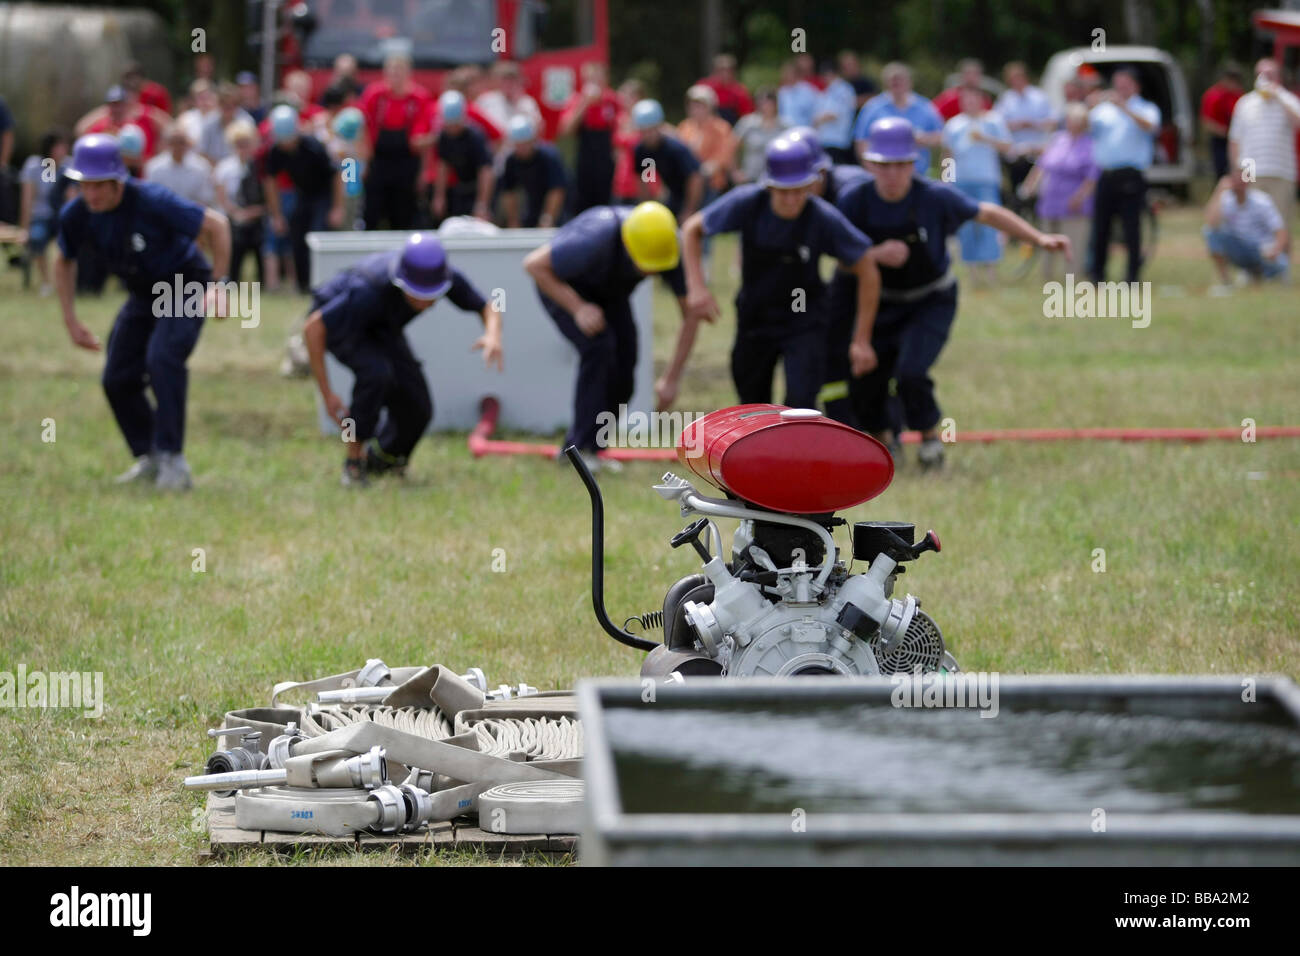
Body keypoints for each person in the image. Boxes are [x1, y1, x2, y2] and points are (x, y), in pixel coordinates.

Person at [828, 118, 1069, 468]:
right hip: (877, 301)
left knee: (911, 371)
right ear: (870, 164)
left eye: (900, 165)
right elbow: (840, 256)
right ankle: (883, 445)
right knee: (867, 374)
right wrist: (875, 256)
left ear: (914, 163)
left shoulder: (934, 197)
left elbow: (985, 212)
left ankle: (928, 438)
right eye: (884, 166)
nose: (892, 174)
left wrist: (1038, 238)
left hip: (931, 300)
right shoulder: (854, 201)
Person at [53, 134, 232, 490]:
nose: (91, 195)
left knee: (162, 358)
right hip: (143, 293)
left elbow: (217, 225)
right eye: (84, 186)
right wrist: (71, 320)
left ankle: (173, 462)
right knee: (117, 378)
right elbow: (64, 261)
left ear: (118, 180)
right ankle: (149, 456)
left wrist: (219, 284)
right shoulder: (77, 214)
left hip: (184, 283)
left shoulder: (151, 200)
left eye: (99, 186)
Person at [667, 135, 881, 412]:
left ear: (812, 184)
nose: (792, 200)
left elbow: (867, 268)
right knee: (753, 406)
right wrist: (696, 288)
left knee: (801, 401)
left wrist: (862, 340)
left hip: (805, 319)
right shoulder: (748, 203)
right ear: (768, 186)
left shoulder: (822, 217)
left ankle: (796, 453)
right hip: (756, 317)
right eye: (783, 191)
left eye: (800, 190)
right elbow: (691, 229)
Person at [302, 233, 504, 486]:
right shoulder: (370, 288)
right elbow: (313, 328)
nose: (422, 302)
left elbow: (488, 306)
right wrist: (327, 394)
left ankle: (384, 461)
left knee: (418, 405)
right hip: (343, 328)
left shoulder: (445, 277)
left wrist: (493, 335)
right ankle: (353, 463)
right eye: (416, 294)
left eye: (430, 296)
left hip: (383, 327)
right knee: (376, 375)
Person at [524, 201, 698, 470]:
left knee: (626, 360)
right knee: (599, 348)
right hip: (563, 289)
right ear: (628, 245)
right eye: (644, 267)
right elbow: (534, 265)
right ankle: (576, 452)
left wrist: (671, 378)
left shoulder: (666, 248)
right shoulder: (593, 239)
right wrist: (578, 308)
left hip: (609, 293)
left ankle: (595, 446)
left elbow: (691, 314)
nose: (651, 273)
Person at [1087, 68, 1160, 283]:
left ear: (1136, 86)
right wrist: (1088, 104)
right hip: (1106, 174)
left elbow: (1150, 127)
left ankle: (1132, 277)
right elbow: (1082, 128)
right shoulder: (1102, 111)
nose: (1120, 88)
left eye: (1125, 84)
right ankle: (1097, 276)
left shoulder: (1146, 108)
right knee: (1101, 228)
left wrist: (1124, 108)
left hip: (1131, 176)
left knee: (1131, 228)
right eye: (1117, 84)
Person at [262, 104, 345, 294]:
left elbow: (337, 175)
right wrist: (276, 215)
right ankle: (302, 286)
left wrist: (337, 208)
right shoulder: (276, 151)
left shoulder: (313, 146)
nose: (286, 145)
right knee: (297, 236)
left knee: (317, 235)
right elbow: (270, 182)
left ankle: (322, 285)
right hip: (303, 195)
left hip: (324, 196)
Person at [1018, 103, 1098, 279]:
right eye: (1071, 120)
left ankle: (1072, 279)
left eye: (1077, 121)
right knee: (1046, 240)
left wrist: (1080, 197)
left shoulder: (1089, 145)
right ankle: (1047, 278)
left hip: (1074, 202)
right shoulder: (1058, 139)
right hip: (1051, 200)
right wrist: (1030, 185)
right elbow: (1041, 165)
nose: (1072, 124)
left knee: (1074, 243)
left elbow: (1092, 177)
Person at [942, 88, 1012, 285]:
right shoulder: (954, 124)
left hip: (986, 180)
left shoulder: (993, 121)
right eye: (967, 100)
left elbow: (1007, 147)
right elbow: (947, 154)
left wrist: (985, 139)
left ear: (981, 101)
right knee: (966, 226)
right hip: (961, 182)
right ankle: (973, 273)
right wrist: (947, 179)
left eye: (974, 100)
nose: (970, 103)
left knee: (990, 225)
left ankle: (991, 272)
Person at [1228, 59, 1300, 248]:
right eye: (1261, 75)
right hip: (1250, 167)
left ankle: (1280, 265)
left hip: (1281, 169)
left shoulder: (1288, 99)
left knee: (1280, 220)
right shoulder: (1245, 103)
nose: (1264, 79)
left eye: (1269, 75)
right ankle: (1250, 266)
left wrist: (1279, 96)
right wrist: (1237, 169)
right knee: (1249, 220)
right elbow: (1235, 140)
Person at [357, 51, 431, 229]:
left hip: (406, 163)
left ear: (408, 74)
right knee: (371, 212)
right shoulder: (374, 94)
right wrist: (363, 162)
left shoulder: (419, 97)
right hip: (378, 162)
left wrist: (424, 172)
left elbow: (423, 135)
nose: (395, 77)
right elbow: (363, 126)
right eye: (391, 72)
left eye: (399, 72)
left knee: (403, 214)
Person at [1203, 172, 1290, 291]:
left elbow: (1281, 231)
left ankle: (1270, 272)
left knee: (1276, 265)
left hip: (1262, 250)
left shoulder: (1261, 201)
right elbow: (1211, 224)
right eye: (1235, 181)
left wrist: (1276, 251)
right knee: (1210, 233)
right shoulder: (1226, 200)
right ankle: (1227, 283)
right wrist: (1219, 191)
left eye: (1241, 181)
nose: (1238, 184)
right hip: (1242, 248)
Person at [853, 62, 943, 176]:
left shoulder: (925, 107)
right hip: (882, 176)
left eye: (901, 80)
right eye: (893, 81)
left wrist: (923, 139)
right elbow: (861, 142)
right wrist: (872, 171)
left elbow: (941, 137)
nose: (897, 84)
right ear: (886, 83)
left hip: (919, 174)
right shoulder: (872, 108)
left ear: (910, 82)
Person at [558, 62, 622, 214]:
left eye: (597, 79)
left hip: (607, 160)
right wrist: (584, 104)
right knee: (581, 202)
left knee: (606, 202)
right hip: (585, 159)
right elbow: (565, 130)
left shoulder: (612, 100)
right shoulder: (577, 100)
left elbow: (622, 128)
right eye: (590, 80)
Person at [995, 61, 1056, 217]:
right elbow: (997, 124)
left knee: (1035, 191)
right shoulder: (1006, 99)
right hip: (1015, 155)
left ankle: (1035, 220)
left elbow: (1052, 121)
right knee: (1017, 191)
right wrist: (1015, 125)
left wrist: (1033, 124)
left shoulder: (1039, 97)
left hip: (1036, 153)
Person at [213, 120, 266, 284]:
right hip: (233, 218)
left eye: (246, 143)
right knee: (235, 245)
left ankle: (263, 282)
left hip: (258, 217)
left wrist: (254, 212)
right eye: (239, 144)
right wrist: (238, 214)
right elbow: (222, 198)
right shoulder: (224, 168)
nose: (243, 148)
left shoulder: (260, 166)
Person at [632, 99, 703, 219]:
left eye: (651, 129)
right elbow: (645, 180)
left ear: (659, 126)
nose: (648, 134)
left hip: (698, 191)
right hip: (675, 192)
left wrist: (689, 210)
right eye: (644, 130)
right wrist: (646, 208)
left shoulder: (675, 148)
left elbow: (695, 178)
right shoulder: (642, 151)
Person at [19, 130, 70, 295]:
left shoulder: (69, 166)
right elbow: (27, 199)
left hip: (62, 217)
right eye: (60, 146)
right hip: (40, 216)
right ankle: (46, 282)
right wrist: (24, 228)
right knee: (37, 237)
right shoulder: (34, 165)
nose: (64, 150)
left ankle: (66, 281)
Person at [432, 91, 494, 222]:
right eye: (449, 124)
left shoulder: (475, 136)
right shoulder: (444, 136)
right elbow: (443, 166)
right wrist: (439, 197)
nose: (452, 129)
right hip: (460, 188)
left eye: (455, 124)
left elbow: (485, 171)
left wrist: (482, 204)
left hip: (478, 188)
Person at [499, 116, 566, 228]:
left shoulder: (549, 156)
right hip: (532, 206)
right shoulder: (511, 160)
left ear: (533, 140)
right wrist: (513, 220)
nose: (522, 148)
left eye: (525, 143)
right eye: (518, 144)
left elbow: (556, 190)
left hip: (559, 208)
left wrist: (548, 217)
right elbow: (509, 192)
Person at [677, 85, 737, 204]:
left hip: (712, 185)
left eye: (700, 106)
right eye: (693, 106)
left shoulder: (721, 128)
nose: (696, 110)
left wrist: (706, 169)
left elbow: (724, 156)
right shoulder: (684, 127)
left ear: (710, 107)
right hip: (687, 184)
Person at [144, 125, 216, 208]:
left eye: (181, 142)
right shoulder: (154, 167)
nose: (177, 147)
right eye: (173, 142)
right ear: (167, 143)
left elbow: (205, 199)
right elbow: (151, 197)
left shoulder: (201, 167)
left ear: (188, 143)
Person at [732, 89, 788, 184]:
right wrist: (735, 171)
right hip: (750, 177)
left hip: (777, 178)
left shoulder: (785, 125)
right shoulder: (747, 123)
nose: (766, 107)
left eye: (770, 103)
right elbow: (732, 147)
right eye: (763, 103)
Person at [1201, 64, 1245, 181]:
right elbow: (1207, 122)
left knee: (1244, 172)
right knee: (1223, 174)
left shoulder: (1239, 95)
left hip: (1240, 140)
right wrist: (1226, 132)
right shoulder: (1213, 95)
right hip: (1221, 141)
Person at [813, 58, 859, 165]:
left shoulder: (843, 89)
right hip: (826, 142)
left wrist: (817, 119)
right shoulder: (828, 91)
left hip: (837, 142)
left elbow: (833, 114)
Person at [697, 53, 754, 126]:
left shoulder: (740, 91)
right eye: (721, 70)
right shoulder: (704, 87)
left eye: (728, 70)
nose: (725, 73)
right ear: (714, 70)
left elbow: (747, 116)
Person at [777, 60, 819, 128]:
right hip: (786, 131)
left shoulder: (808, 91)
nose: (786, 76)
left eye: (789, 73)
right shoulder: (782, 92)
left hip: (804, 130)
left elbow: (817, 111)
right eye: (785, 74)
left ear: (796, 74)